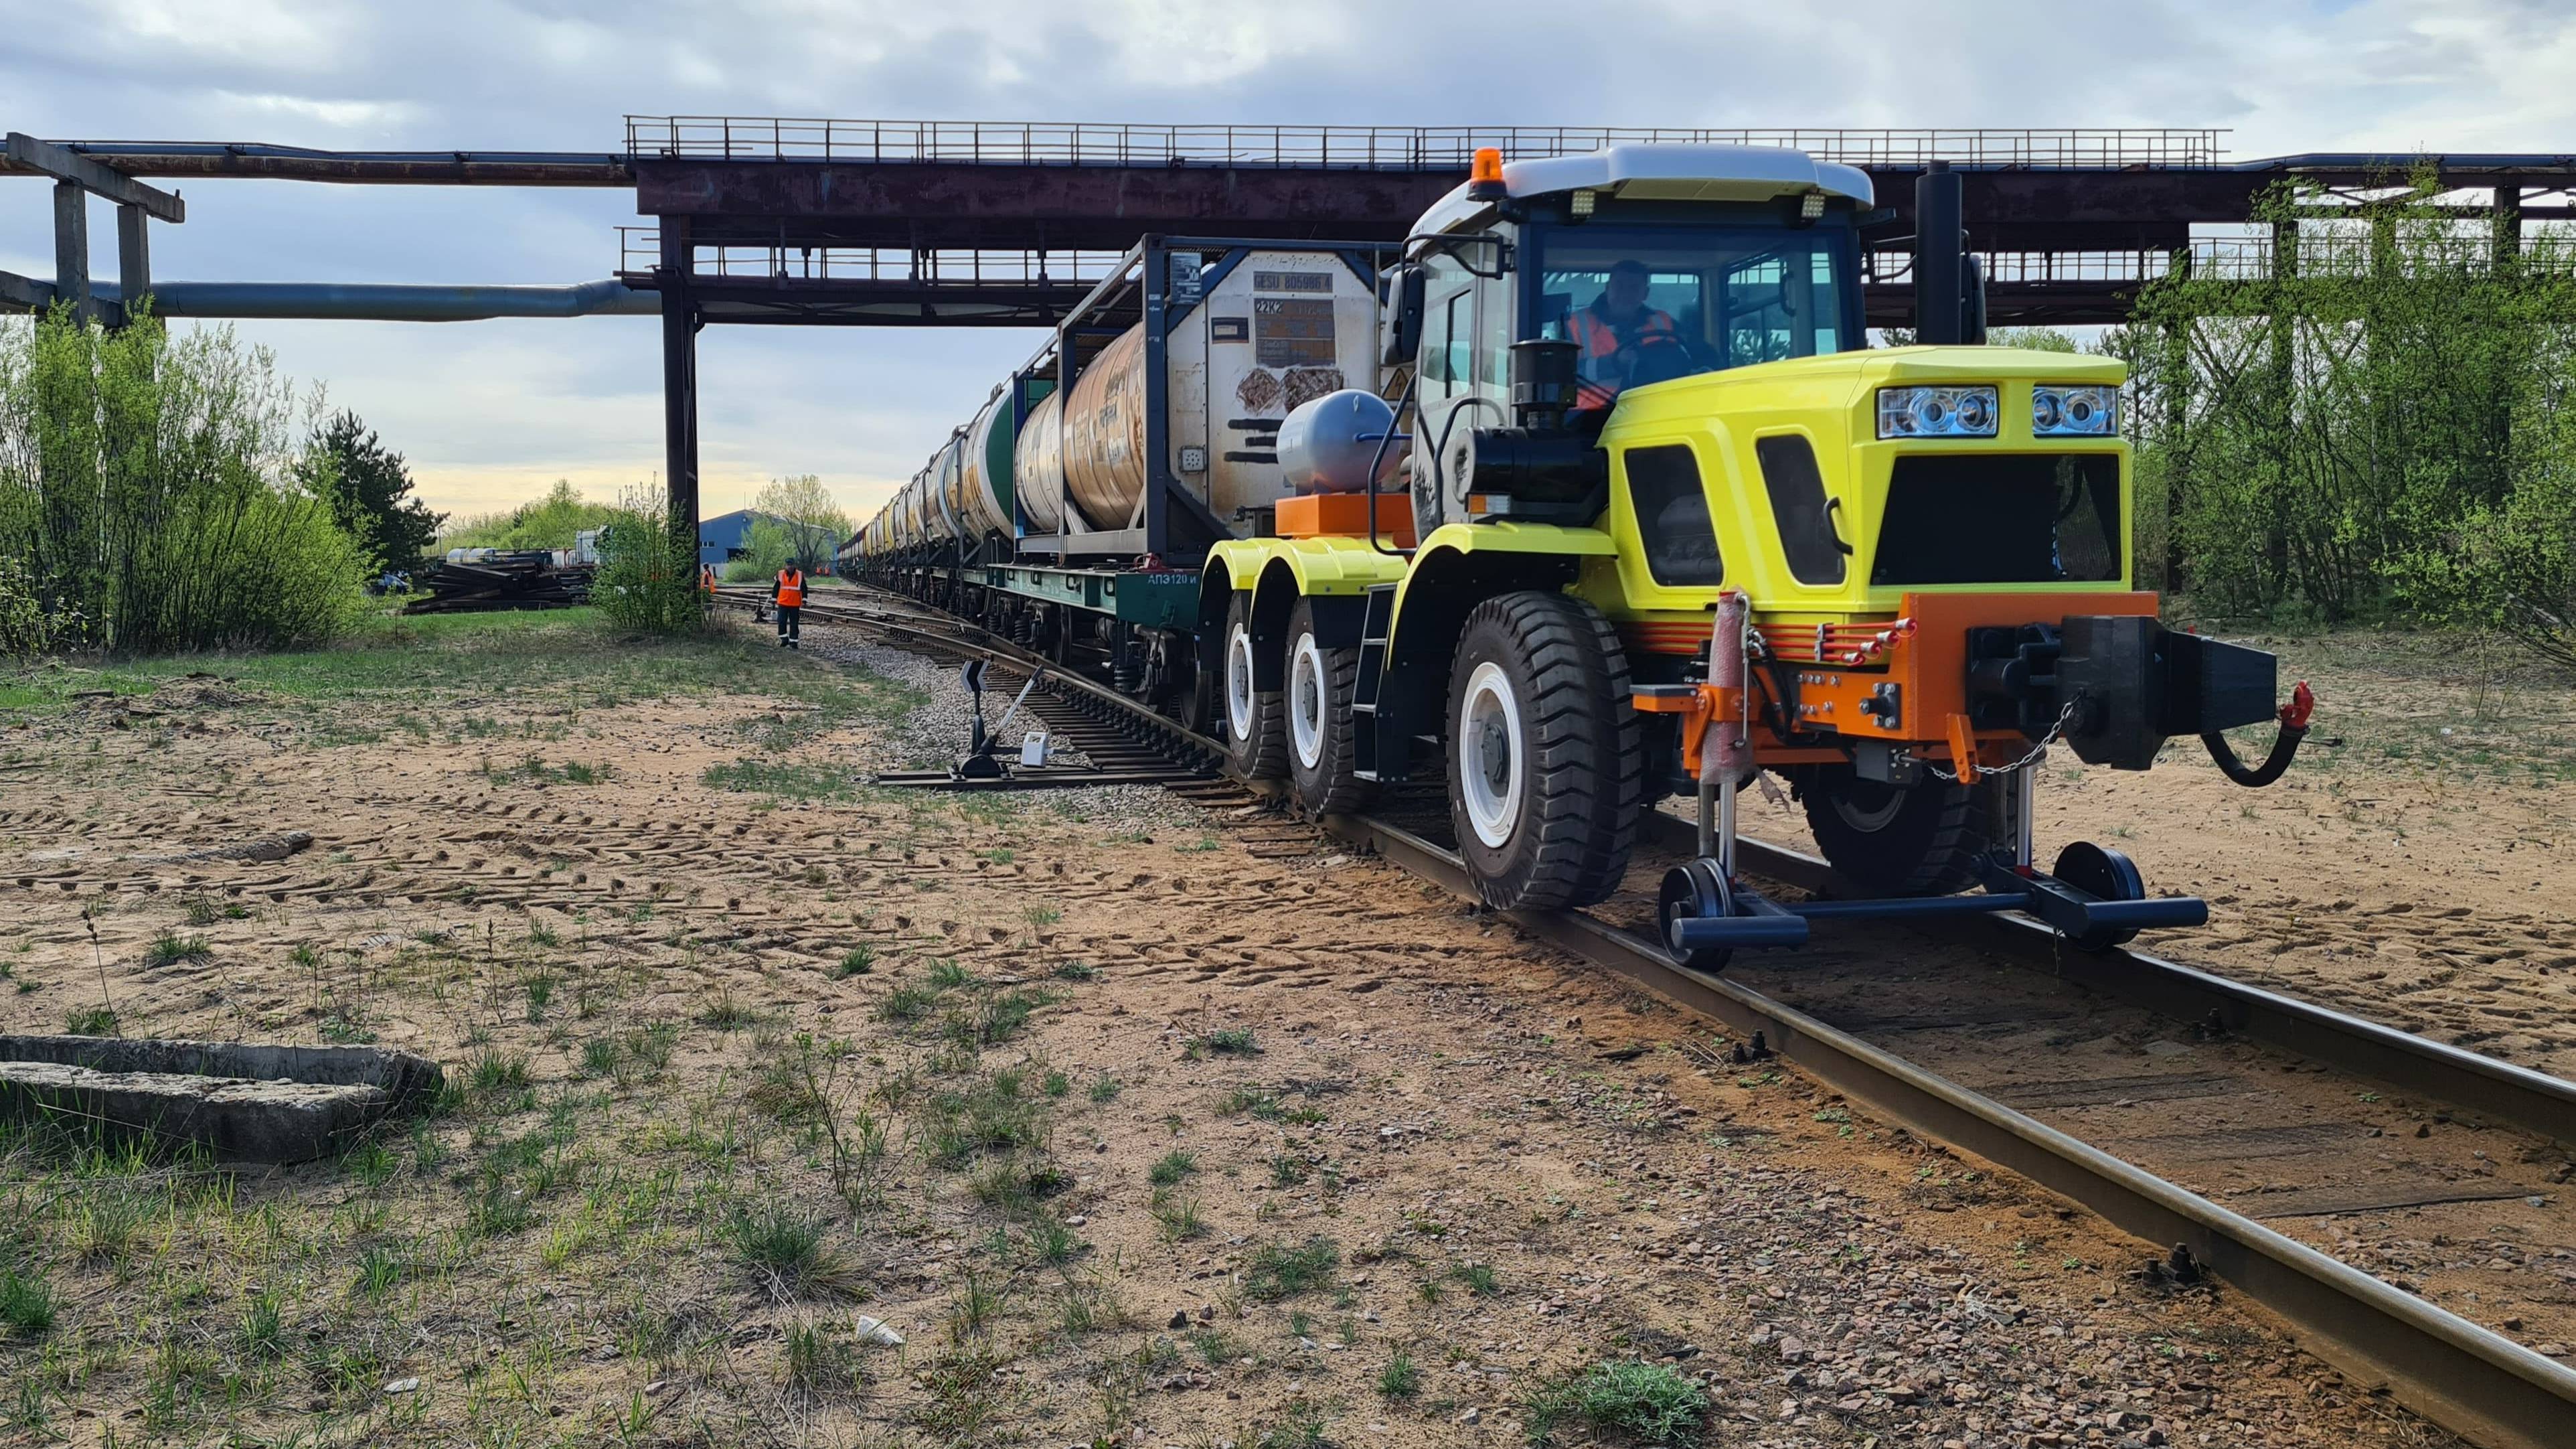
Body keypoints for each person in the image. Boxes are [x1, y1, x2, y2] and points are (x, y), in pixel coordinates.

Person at [1564, 259, 1684, 408]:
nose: (1626, 294)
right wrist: (1613, 363)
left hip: (1654, 409)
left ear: (1645, 293)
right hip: (1590, 415)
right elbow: (1563, 373)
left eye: (1634, 288)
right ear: (1607, 288)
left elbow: (1697, 358)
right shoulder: (1575, 323)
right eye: (1619, 286)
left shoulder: (1664, 322)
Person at [771, 562, 805, 648]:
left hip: (795, 603)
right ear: (786, 566)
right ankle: (784, 639)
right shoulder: (781, 574)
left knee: (794, 623)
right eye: (788, 565)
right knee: (781, 621)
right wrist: (774, 598)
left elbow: (804, 587)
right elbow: (776, 587)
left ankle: (793, 642)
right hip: (783, 602)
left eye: (791, 565)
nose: (790, 567)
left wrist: (805, 599)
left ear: (794, 566)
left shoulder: (799, 575)